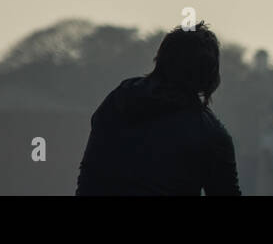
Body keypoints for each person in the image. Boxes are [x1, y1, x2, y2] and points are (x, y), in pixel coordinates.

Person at [76, 21, 241, 195]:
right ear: (209, 73)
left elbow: (88, 175)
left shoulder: (120, 99)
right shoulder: (211, 134)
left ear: (160, 59)